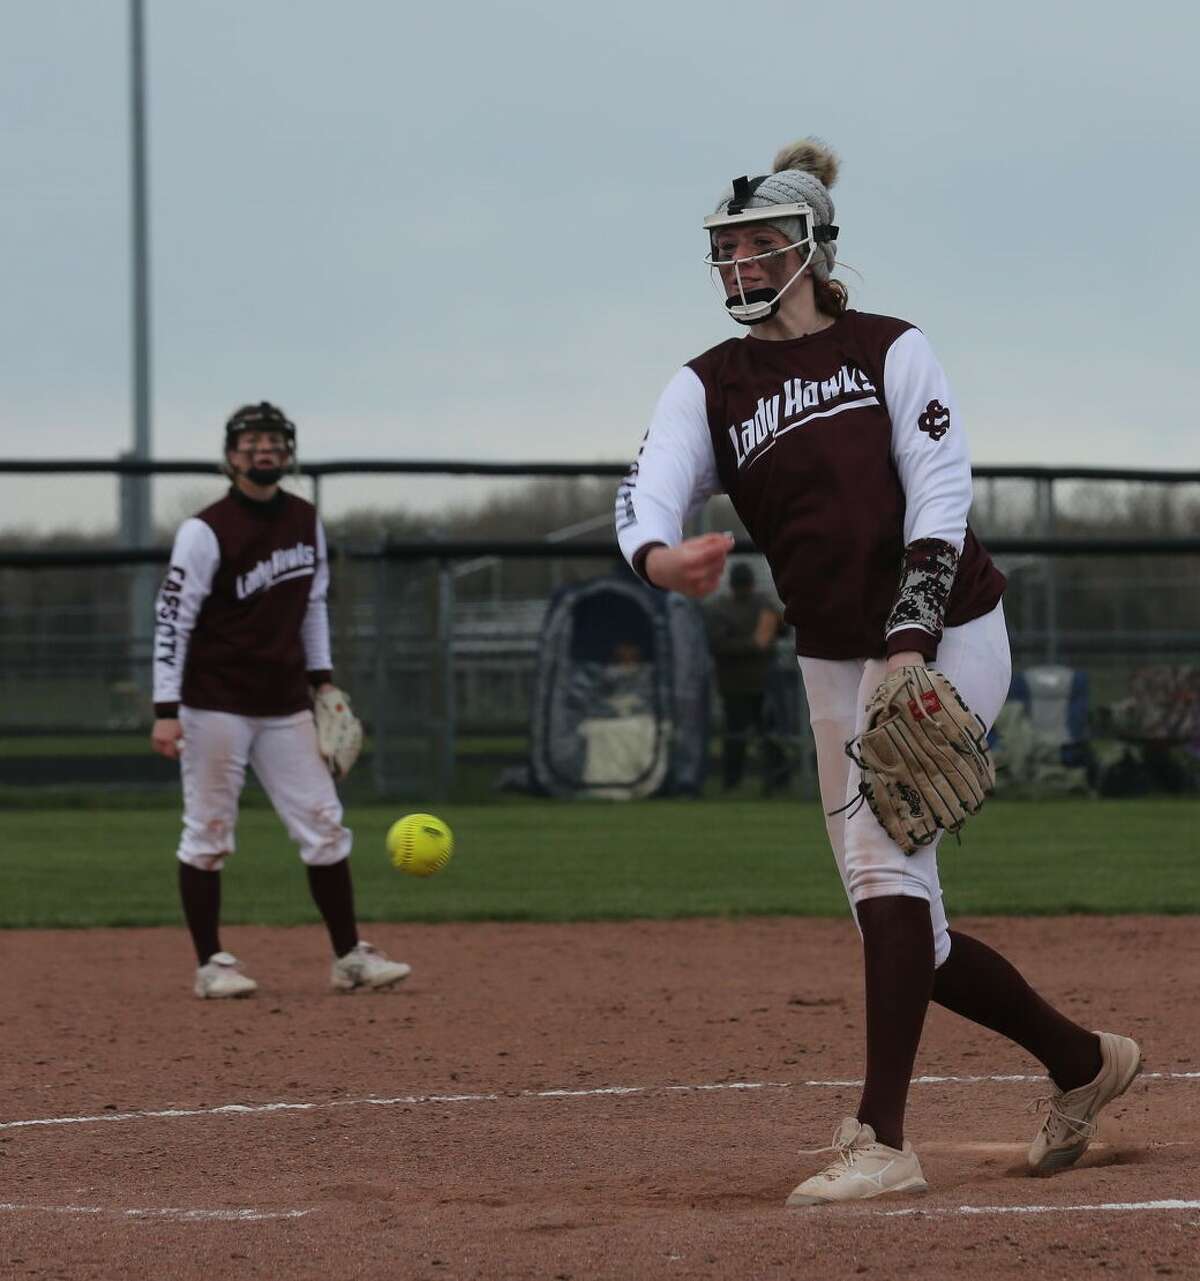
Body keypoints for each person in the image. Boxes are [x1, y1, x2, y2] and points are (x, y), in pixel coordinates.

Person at [614, 138, 1140, 1205]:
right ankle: (1085, 1064)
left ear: (813, 250)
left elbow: (939, 505)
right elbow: (649, 489)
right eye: (728, 248)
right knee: (902, 916)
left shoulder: (890, 349)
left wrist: (909, 647)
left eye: (762, 245)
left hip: (949, 633)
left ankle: (882, 1138)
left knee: (886, 871)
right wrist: (663, 558)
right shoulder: (709, 385)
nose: (740, 265)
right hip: (831, 655)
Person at [150, 402, 410, 999]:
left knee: (324, 827)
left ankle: (349, 959)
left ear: (288, 452)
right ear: (231, 455)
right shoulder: (205, 529)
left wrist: (322, 680)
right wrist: (166, 711)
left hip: (285, 701)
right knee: (209, 833)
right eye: (251, 441)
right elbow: (172, 622)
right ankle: (210, 964)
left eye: (274, 440)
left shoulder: (304, 519)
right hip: (213, 702)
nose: (264, 450)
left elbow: (313, 604)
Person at [704, 561, 788, 793]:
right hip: (735, 684)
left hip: (762, 683)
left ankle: (777, 780)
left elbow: (782, 630)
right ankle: (732, 782)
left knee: (769, 735)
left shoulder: (763, 604)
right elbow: (718, 644)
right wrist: (753, 644)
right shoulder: (720, 608)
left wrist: (775, 624)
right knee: (735, 737)